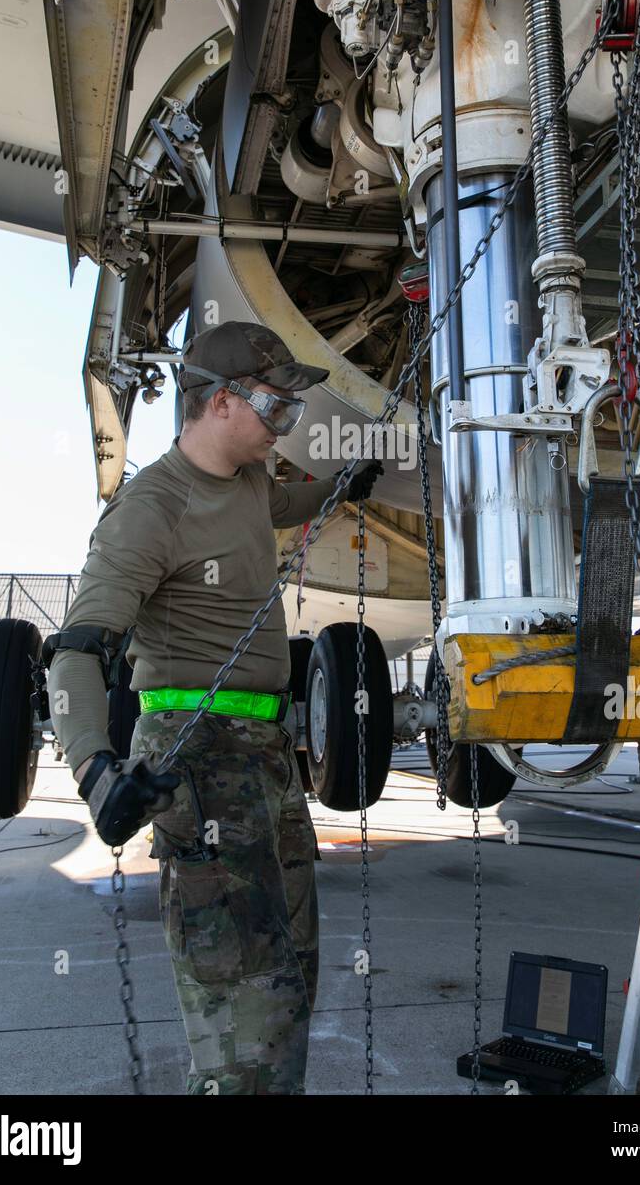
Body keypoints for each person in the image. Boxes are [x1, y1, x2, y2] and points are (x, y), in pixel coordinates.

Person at [45, 320, 383, 1094]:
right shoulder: (149, 509)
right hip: (198, 762)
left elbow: (292, 498)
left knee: (290, 978)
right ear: (222, 401)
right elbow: (78, 651)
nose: (286, 426)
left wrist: (348, 479)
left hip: (267, 758)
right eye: (277, 409)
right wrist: (97, 771)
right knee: (241, 1015)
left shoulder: (252, 481)